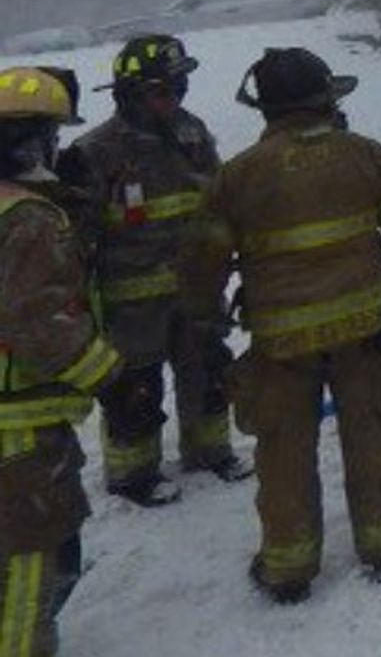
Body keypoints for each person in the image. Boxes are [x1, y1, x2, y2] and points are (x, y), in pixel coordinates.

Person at [180, 48, 381, 603]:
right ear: (326, 98)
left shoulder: (238, 176)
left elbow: (205, 259)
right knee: (371, 431)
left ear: (265, 107)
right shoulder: (367, 155)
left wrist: (203, 317)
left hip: (281, 341)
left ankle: (288, 567)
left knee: (283, 447)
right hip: (364, 329)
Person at [58, 36, 248, 508]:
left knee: (208, 371)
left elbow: (219, 199)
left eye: (180, 87)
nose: (174, 98)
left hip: (197, 287)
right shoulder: (95, 151)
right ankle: (132, 474)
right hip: (131, 301)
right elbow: (73, 238)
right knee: (136, 388)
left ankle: (210, 451)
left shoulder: (192, 133)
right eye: (163, 89)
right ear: (130, 92)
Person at [0, 67, 122, 657]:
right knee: (27, 575)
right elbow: (42, 327)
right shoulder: (27, 220)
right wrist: (110, 379)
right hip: (15, 431)